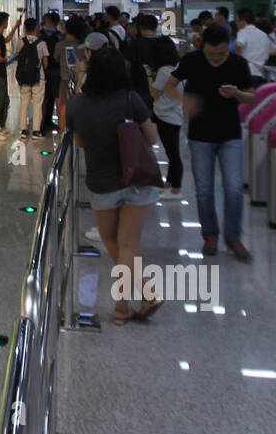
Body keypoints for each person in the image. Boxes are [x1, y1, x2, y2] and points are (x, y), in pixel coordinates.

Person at [66, 46, 162, 325]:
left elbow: (79, 141)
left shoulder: (76, 105)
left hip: (103, 182)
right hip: (138, 180)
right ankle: (125, 304)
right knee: (129, 245)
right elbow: (152, 138)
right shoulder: (132, 100)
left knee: (113, 242)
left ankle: (142, 294)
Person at [163, 23, 255, 261]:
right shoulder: (192, 61)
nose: (217, 58)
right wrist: (185, 100)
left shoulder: (238, 64)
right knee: (204, 191)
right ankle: (210, 235)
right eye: (212, 53)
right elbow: (170, 85)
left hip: (230, 135)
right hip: (200, 136)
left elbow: (251, 95)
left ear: (228, 48)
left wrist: (236, 94)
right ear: (203, 47)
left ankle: (233, 236)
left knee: (234, 189)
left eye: (221, 54)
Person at [148, 35, 185, 197]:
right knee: (173, 151)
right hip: (175, 113)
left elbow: (154, 93)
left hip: (165, 115)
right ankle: (170, 183)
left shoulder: (164, 71)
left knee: (173, 153)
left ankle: (175, 187)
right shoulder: (178, 67)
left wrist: (148, 76)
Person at [14, 16, 50, 139]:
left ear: (25, 28)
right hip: (38, 77)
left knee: (24, 102)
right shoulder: (42, 43)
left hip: (24, 77)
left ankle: (23, 130)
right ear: (37, 28)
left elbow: (19, 55)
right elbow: (45, 63)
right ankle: (36, 131)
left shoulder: (21, 41)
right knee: (37, 104)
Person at [53, 15, 88, 137]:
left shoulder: (60, 45)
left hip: (65, 78)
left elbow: (56, 58)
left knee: (63, 105)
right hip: (81, 79)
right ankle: (79, 131)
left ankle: (63, 132)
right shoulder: (83, 46)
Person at [234, 7, 276, 87]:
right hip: (260, 75)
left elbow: (239, 45)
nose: (236, 23)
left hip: (246, 72)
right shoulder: (263, 34)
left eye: (237, 21)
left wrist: (237, 59)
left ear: (242, 21)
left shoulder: (243, 32)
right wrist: (266, 52)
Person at [123, 13, 161, 109]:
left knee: (141, 113)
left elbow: (127, 64)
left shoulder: (135, 43)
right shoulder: (162, 42)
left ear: (140, 27)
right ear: (156, 26)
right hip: (159, 84)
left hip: (139, 84)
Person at [38, 12, 63, 135]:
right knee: (54, 96)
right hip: (57, 71)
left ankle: (41, 123)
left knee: (43, 98)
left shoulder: (39, 35)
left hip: (41, 70)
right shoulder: (60, 36)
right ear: (57, 22)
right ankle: (50, 122)